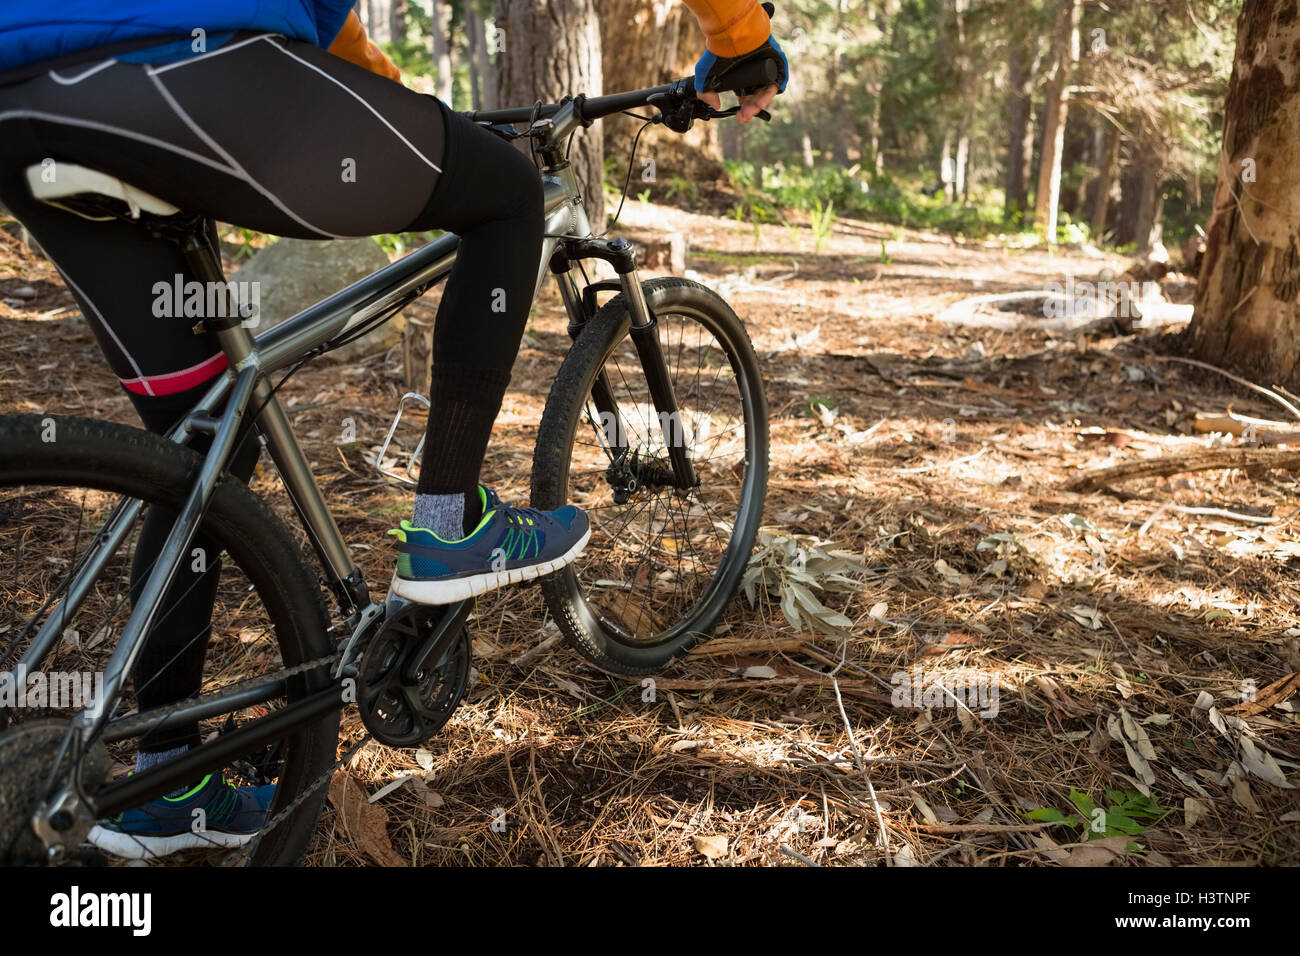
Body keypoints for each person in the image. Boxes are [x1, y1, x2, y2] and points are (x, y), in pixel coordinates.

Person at [0, 2, 786, 856]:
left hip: (21, 100)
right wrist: (742, 44)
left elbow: (336, 37)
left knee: (197, 441)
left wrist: (392, 101)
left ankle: (169, 778)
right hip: (182, 63)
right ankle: (451, 527)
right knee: (506, 195)